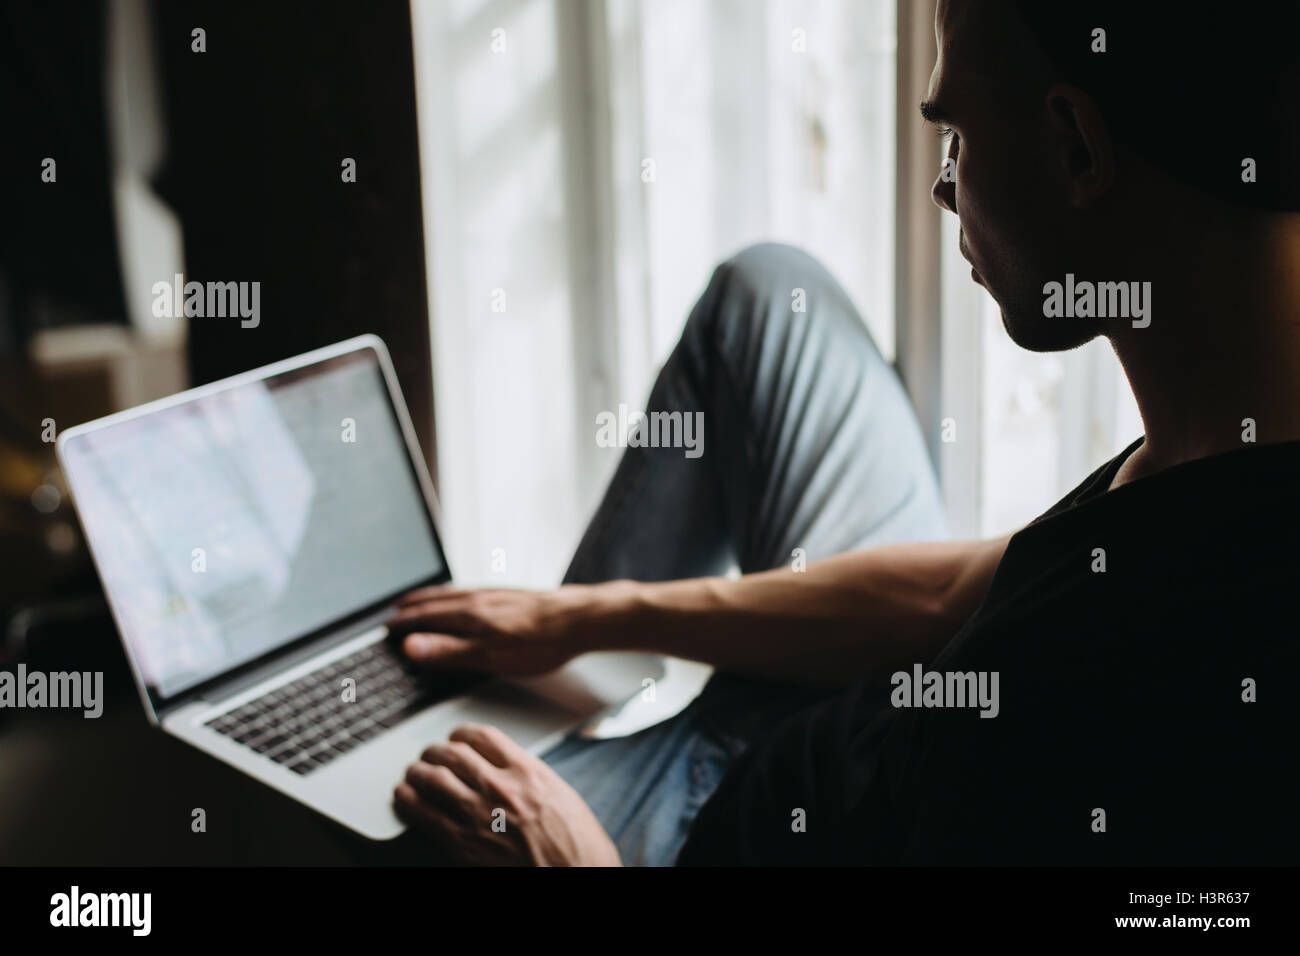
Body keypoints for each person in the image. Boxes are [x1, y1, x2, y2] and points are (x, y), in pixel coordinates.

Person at [387, 0, 1300, 865]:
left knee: (400, 816)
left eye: (958, 136)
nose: (945, 188)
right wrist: (591, 615)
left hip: (702, 832)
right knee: (767, 293)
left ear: (1075, 147)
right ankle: (558, 694)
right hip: (848, 732)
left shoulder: (1123, 703)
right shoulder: (1218, 428)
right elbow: (957, 592)